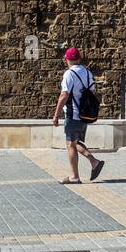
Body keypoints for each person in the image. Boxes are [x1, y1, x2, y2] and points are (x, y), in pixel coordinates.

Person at [51, 47, 105, 184]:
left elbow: (64, 95)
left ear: (67, 59)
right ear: (79, 58)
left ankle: (74, 177)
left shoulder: (69, 74)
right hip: (84, 116)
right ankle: (94, 162)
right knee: (75, 142)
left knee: (70, 144)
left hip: (73, 114)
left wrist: (56, 115)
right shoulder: (88, 73)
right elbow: (92, 92)